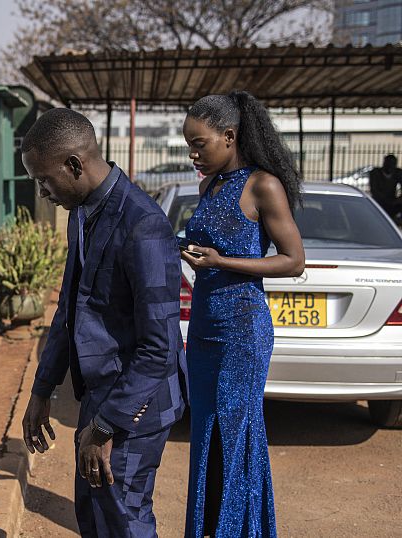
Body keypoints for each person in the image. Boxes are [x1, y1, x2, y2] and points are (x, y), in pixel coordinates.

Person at [21, 108, 187, 538]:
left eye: (44, 180)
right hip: (100, 397)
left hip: (135, 406)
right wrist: (42, 389)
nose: (42, 192)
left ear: (74, 165)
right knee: (94, 519)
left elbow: (160, 347)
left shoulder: (144, 225)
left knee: (123, 523)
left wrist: (106, 425)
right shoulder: (82, 212)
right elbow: (69, 309)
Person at [180, 91, 306, 538]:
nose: (193, 154)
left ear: (230, 137)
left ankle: (240, 530)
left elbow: (294, 261)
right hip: (203, 327)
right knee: (205, 433)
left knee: (235, 433)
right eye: (189, 146)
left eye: (200, 144)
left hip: (242, 330)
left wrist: (221, 262)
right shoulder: (207, 187)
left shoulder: (262, 186)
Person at [370, 154, 402, 219]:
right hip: (379, 202)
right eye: (388, 163)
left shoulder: (397, 173)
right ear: (384, 163)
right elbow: (374, 190)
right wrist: (388, 201)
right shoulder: (376, 173)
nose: (390, 166)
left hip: (392, 202)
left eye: (393, 164)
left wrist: (398, 200)